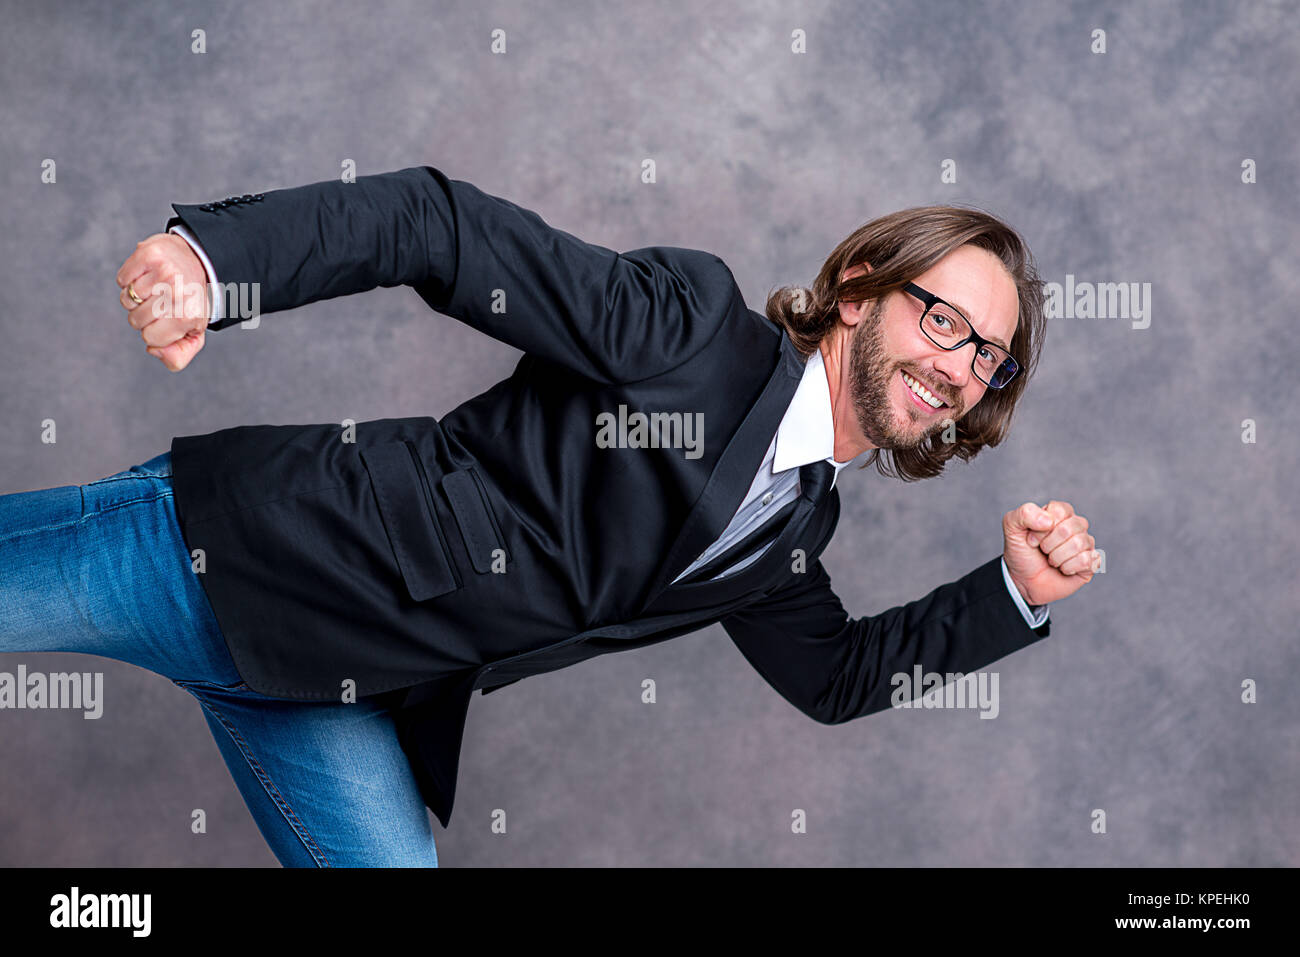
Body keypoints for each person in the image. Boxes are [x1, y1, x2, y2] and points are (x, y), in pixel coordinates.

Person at [1, 166, 1096, 866]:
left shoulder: (796, 526)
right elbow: (441, 230)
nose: (959, 369)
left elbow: (837, 676)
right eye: (945, 321)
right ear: (858, 289)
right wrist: (217, 263)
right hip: (219, 553)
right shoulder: (691, 329)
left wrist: (1013, 598)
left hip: (333, 688)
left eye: (989, 360)